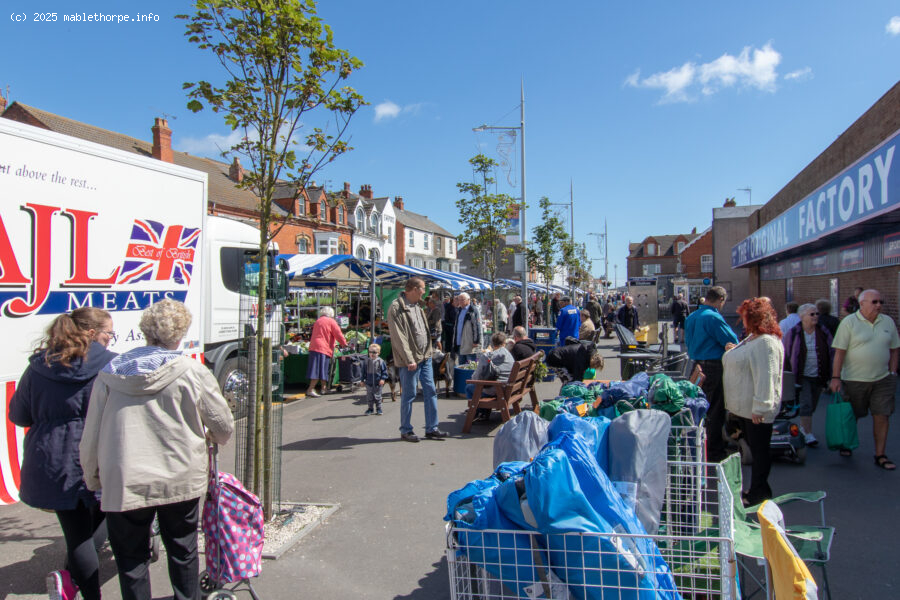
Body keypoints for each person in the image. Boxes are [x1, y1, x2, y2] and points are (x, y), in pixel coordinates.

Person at [80, 299, 234, 600]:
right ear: (179, 335)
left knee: (131, 556)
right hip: (179, 475)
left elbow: (92, 434)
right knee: (182, 549)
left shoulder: (111, 373)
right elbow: (223, 425)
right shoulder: (192, 371)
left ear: (145, 332)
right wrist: (213, 436)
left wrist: (93, 476)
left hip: (125, 477)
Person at [9, 307, 117, 600]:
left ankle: (71, 581)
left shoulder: (39, 366)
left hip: (52, 458)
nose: (111, 339)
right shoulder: (112, 367)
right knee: (97, 525)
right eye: (109, 333)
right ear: (93, 334)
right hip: (100, 456)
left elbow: (19, 415)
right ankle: (82, 589)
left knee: (78, 532)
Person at [722, 297, 785, 506]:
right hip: (745, 408)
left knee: (759, 453)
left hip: (755, 410)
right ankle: (758, 489)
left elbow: (766, 376)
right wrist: (733, 350)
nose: (742, 321)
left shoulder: (765, 342)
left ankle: (760, 492)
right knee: (754, 450)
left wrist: (761, 407)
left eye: (744, 317)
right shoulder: (753, 339)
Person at [829, 289, 900, 468]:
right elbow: (839, 352)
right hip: (854, 379)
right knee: (853, 414)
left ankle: (880, 455)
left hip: (882, 379)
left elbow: (894, 349)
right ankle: (847, 443)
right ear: (862, 304)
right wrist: (836, 377)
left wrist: (892, 372)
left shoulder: (888, 322)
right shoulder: (849, 322)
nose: (879, 305)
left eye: (880, 302)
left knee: (882, 415)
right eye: (874, 302)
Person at [387, 277, 449, 442]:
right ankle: (406, 430)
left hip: (425, 357)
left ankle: (432, 428)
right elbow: (399, 337)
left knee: (431, 391)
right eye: (422, 289)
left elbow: (424, 331)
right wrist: (409, 359)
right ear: (414, 289)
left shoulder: (417, 306)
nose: (425, 292)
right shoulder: (397, 308)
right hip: (411, 360)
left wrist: (430, 350)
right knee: (409, 395)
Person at [685, 286, 740, 463]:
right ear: (721, 300)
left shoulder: (692, 317)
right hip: (713, 366)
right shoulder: (713, 317)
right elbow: (732, 342)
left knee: (698, 407)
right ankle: (714, 450)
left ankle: (698, 445)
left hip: (696, 366)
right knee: (715, 409)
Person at [783, 303, 834, 447]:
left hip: (818, 375)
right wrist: (786, 375)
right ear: (802, 317)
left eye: (817, 313)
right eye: (812, 314)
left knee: (812, 405)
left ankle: (804, 427)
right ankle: (808, 433)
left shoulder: (823, 332)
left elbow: (831, 352)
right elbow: (786, 354)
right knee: (805, 403)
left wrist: (832, 376)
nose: (816, 316)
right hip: (801, 375)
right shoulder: (794, 333)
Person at [467, 332, 517, 422]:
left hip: (496, 390)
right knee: (482, 385)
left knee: (470, 387)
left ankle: (476, 413)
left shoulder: (487, 356)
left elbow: (475, 377)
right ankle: (483, 413)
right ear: (504, 343)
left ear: (493, 344)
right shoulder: (509, 355)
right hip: (508, 389)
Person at [306, 306, 348, 397]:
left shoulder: (318, 321)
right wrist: (344, 343)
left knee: (321, 368)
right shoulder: (331, 321)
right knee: (319, 369)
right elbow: (338, 334)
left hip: (314, 346)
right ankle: (310, 389)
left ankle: (324, 388)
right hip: (323, 347)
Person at [453, 292, 483, 364]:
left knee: (471, 365)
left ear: (468, 300)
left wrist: (476, 341)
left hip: (470, 343)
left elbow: (477, 326)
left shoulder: (473, 310)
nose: (460, 302)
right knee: (461, 365)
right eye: (459, 300)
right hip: (459, 342)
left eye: (462, 300)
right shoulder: (459, 310)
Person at [362, 343, 388, 416]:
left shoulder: (381, 361)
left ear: (378, 353)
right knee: (369, 397)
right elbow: (363, 372)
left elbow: (384, 372)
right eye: (370, 352)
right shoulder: (366, 361)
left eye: (374, 352)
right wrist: (362, 380)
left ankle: (379, 408)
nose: (372, 354)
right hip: (369, 382)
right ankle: (370, 409)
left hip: (378, 383)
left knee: (378, 396)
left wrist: (382, 379)